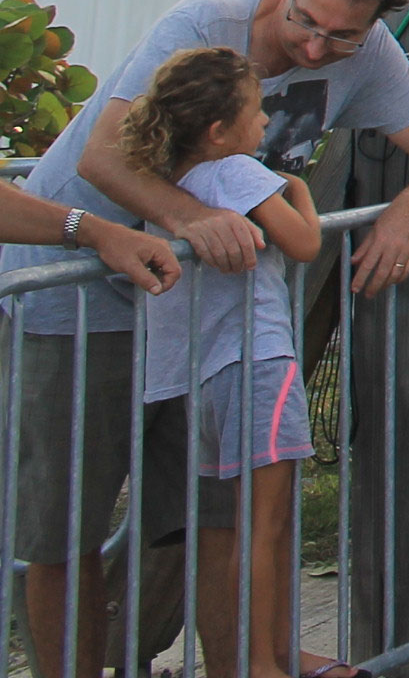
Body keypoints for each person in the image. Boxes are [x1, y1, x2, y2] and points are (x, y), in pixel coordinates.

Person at [4, 0, 409, 678]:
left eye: (343, 38)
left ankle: (248, 665)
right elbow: (101, 155)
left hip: (192, 317)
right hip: (79, 300)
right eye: (307, 22)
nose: (317, 48)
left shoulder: (369, 53)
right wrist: (192, 218)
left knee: (218, 516)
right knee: (68, 526)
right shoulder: (203, 21)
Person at [122, 50, 318, 678]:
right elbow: (304, 241)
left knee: (240, 525)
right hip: (261, 362)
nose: (263, 123)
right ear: (218, 131)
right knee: (265, 526)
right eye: (256, 112)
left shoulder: (170, 185)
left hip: (205, 380)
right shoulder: (235, 171)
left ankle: (251, 659)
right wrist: (301, 191)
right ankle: (261, 663)